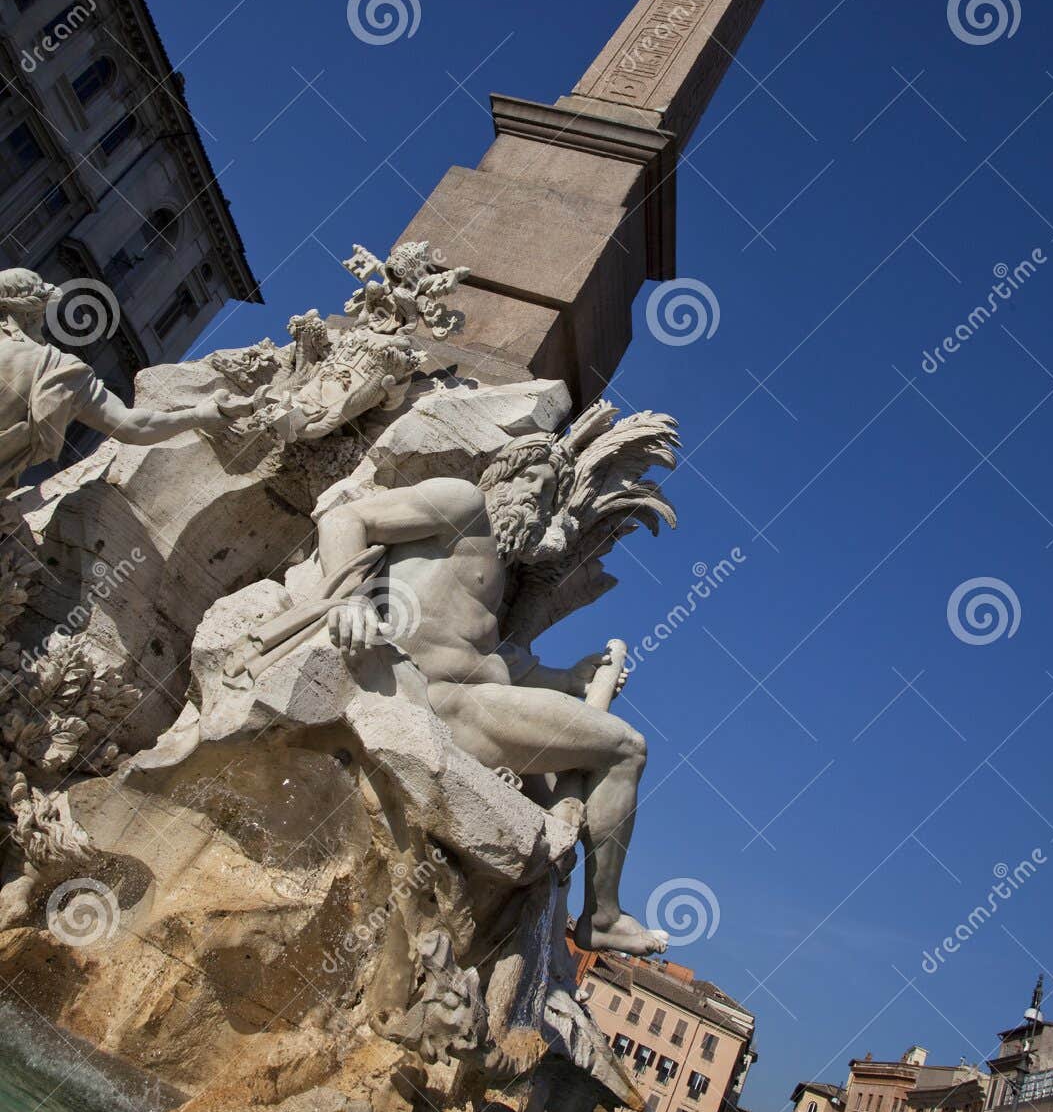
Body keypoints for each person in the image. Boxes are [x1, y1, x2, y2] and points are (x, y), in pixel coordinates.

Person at [305, 434, 668, 956]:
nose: (533, 498)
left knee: (573, 795)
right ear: (497, 476)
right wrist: (346, 600)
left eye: (546, 495)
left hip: (477, 705)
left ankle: (569, 924)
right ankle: (604, 917)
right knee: (626, 748)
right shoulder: (463, 503)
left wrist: (570, 678)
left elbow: (493, 662)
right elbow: (344, 520)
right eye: (526, 479)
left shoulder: (495, 574)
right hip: (442, 703)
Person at [0, 267, 246, 489]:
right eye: (43, 313)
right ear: (33, 312)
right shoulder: (59, 369)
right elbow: (132, 427)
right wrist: (200, 415)